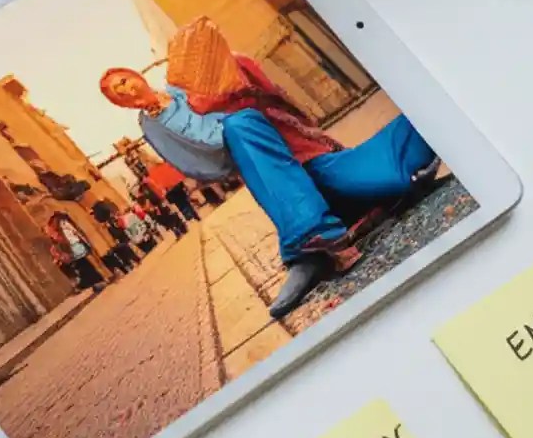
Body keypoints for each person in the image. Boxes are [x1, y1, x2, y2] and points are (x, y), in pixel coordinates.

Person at [100, 59, 439, 318]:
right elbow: (201, 166)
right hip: (280, 183)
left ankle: (434, 114)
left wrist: (222, 73)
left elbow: (252, 82)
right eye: (117, 93)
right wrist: (224, 136)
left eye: (124, 81)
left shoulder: (187, 84)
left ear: (136, 74)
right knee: (239, 126)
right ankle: (310, 240)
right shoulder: (153, 126)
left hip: (308, 160)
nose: (125, 89)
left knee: (386, 175)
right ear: (120, 105)